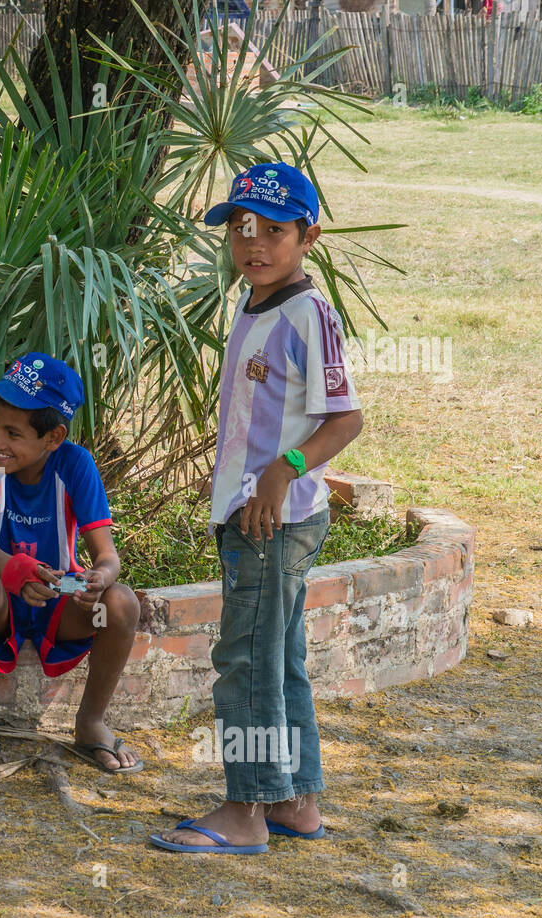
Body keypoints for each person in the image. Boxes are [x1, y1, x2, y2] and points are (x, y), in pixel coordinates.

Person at [152, 161, 364, 855]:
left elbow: (344, 420)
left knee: (245, 659)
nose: (255, 243)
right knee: (280, 658)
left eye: (275, 230)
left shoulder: (309, 314)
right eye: (242, 228)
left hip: (274, 519)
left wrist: (284, 471)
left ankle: (244, 810)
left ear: (311, 237)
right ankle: (297, 802)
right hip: (249, 514)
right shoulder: (254, 302)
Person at [0, 354, 143, 781]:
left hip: (57, 599)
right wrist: (17, 572)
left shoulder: (75, 464)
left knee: (120, 604)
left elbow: (108, 555)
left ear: (53, 437)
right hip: (0, 603)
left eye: (13, 433)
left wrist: (99, 578)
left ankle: (90, 724)